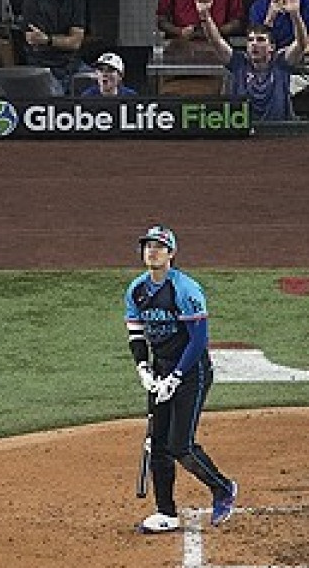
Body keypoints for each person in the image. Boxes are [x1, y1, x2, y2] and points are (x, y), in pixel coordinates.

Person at [127, 224, 237, 534]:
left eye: (159, 246)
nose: (152, 251)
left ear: (171, 253)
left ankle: (223, 488)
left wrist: (174, 377)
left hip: (192, 371)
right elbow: (136, 334)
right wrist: (144, 371)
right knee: (158, 443)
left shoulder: (185, 289)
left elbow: (198, 339)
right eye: (148, 246)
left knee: (180, 445)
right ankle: (166, 512)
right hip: (160, 369)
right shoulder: (136, 290)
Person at [207, 0, 308, 120]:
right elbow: (216, 40)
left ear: (272, 47)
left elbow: (302, 44)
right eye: (250, 40)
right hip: (244, 132)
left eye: (260, 40)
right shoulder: (239, 63)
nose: (254, 44)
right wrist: (205, 16)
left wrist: (295, 15)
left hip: (278, 133)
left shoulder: (280, 63)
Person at [20, 0, 88, 96]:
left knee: (99, 86)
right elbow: (34, 41)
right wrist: (62, 41)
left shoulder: (77, 0)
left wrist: (48, 40)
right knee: (56, 98)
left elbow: (76, 42)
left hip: (72, 64)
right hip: (43, 65)